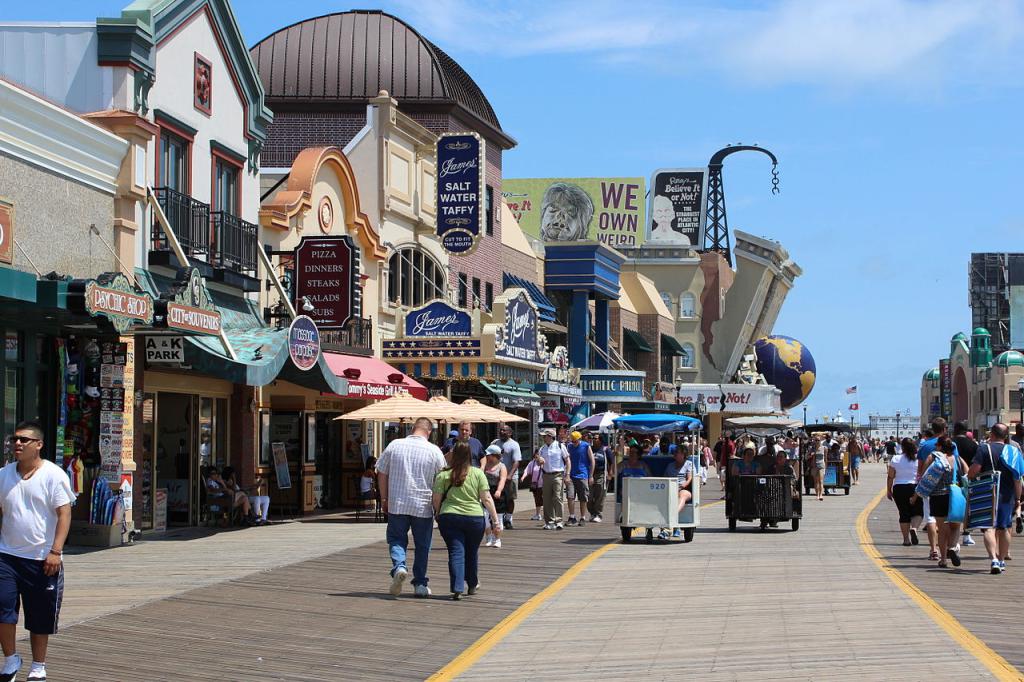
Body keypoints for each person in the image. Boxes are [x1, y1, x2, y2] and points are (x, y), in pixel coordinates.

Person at [0, 421, 75, 682]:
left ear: (39, 445)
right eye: (14, 439)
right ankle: (10, 661)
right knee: (2, 610)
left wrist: (55, 551)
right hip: (6, 556)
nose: (17, 443)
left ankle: (38, 666)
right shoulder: (3, 475)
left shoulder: (54, 475)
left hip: (42, 559)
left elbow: (64, 514)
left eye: (24, 440)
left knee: (39, 616)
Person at [377, 417, 446, 598]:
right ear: (429, 432)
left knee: (396, 539)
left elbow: (382, 472)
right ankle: (420, 584)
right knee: (423, 545)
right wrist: (437, 507)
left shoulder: (394, 445)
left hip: (397, 503)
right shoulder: (434, 451)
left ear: (413, 428)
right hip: (423, 506)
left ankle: (400, 566)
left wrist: (384, 498)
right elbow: (441, 481)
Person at [432, 442, 499, 600]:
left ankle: (457, 587)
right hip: (474, 518)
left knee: (456, 551)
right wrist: (495, 520)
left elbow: (436, 498)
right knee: (471, 552)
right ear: (470, 456)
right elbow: (486, 498)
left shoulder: (443, 475)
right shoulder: (477, 473)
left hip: (450, 517)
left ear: (453, 455)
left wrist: (438, 512)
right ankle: (472, 584)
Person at [968, 423, 1024, 574]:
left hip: (987, 492)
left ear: (991, 434)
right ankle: (1002, 560)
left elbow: (973, 471)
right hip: (1007, 494)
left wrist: (969, 477)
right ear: (1006, 436)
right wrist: (1018, 498)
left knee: (988, 527)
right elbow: (1018, 478)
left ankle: (993, 559)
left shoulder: (984, 449)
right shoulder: (1013, 451)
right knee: (1004, 527)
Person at [912, 436, 968, 569]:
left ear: (938, 446)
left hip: (938, 497)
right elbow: (967, 472)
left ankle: (943, 559)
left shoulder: (933, 458)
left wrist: (916, 495)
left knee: (942, 530)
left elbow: (924, 476)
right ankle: (953, 547)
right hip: (955, 496)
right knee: (955, 526)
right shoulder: (958, 459)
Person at [917, 418, 952, 561]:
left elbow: (920, 469)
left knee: (930, 518)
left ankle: (934, 549)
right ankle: (951, 546)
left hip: (928, 487)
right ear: (944, 429)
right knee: (947, 520)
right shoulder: (951, 444)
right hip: (948, 488)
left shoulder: (925, 446)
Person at [887, 438, 924, 546]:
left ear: (902, 447)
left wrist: (888, 490)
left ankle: (906, 540)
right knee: (918, 512)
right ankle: (914, 528)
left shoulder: (896, 458)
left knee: (903, 514)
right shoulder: (917, 459)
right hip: (914, 487)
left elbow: (890, 476)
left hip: (899, 487)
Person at [536, 429, 570, 530]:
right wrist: (539, 461)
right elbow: (539, 463)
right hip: (546, 475)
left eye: (545, 436)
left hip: (558, 475)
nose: (543, 438)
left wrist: (567, 474)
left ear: (550, 436)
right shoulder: (542, 448)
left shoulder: (560, 446)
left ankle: (559, 521)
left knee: (557, 497)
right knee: (546, 499)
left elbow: (567, 461)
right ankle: (549, 521)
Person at [952, 422, 979, 547]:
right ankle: (966, 535)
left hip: (951, 479)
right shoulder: (973, 444)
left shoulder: (950, 443)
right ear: (965, 431)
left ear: (955, 430)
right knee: (968, 508)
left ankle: (952, 538)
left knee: (952, 506)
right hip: (969, 478)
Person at [659, 446, 694, 540]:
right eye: (674, 452)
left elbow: (690, 478)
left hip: (683, 488)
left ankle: (671, 519)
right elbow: (664, 478)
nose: (674, 454)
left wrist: (683, 485)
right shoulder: (670, 465)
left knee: (682, 495)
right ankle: (673, 526)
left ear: (683, 454)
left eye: (677, 452)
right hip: (670, 489)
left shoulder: (688, 464)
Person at [491, 425, 522, 529]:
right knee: (496, 497)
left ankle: (508, 519)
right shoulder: (496, 443)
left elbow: (516, 462)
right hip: (496, 476)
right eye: (500, 430)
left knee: (510, 498)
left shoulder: (514, 444)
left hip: (510, 477)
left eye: (504, 430)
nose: (501, 432)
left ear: (510, 433)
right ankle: (496, 518)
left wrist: (510, 475)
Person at [565, 431, 594, 526]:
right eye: (572, 441)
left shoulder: (586, 446)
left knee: (583, 498)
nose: (573, 443)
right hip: (571, 475)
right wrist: (566, 474)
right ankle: (572, 516)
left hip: (583, 475)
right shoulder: (569, 446)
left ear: (579, 439)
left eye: (575, 441)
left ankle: (582, 517)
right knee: (570, 496)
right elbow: (566, 460)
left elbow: (592, 461)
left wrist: (591, 476)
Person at [481, 445, 507, 548]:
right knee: (484, 516)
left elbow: (503, 479)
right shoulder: (484, 464)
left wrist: (499, 490)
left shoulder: (502, 466)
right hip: (486, 491)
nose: (487, 457)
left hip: (497, 493)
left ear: (495, 456)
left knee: (498, 518)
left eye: (489, 455)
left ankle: (498, 539)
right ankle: (489, 537)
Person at [587, 434, 610, 523]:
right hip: (590, 474)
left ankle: (598, 513)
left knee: (599, 495)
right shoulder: (590, 448)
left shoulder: (605, 449)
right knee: (589, 495)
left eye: (595, 438)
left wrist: (610, 473)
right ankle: (592, 513)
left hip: (601, 474)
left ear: (600, 440)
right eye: (593, 438)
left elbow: (611, 462)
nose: (593, 439)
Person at [520, 457, 544, 521]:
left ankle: (547, 514)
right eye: (535, 457)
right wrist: (523, 477)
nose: (536, 458)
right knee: (537, 499)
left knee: (545, 499)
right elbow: (526, 471)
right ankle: (538, 514)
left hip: (544, 484)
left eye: (538, 456)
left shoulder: (544, 462)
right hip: (535, 485)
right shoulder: (532, 463)